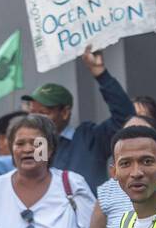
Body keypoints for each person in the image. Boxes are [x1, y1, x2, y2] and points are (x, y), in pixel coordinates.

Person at [19, 47, 133, 189]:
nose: (36, 120)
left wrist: (101, 75)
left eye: (43, 113)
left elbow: (126, 116)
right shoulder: (32, 148)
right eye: (32, 113)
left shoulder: (90, 139)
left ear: (65, 112)